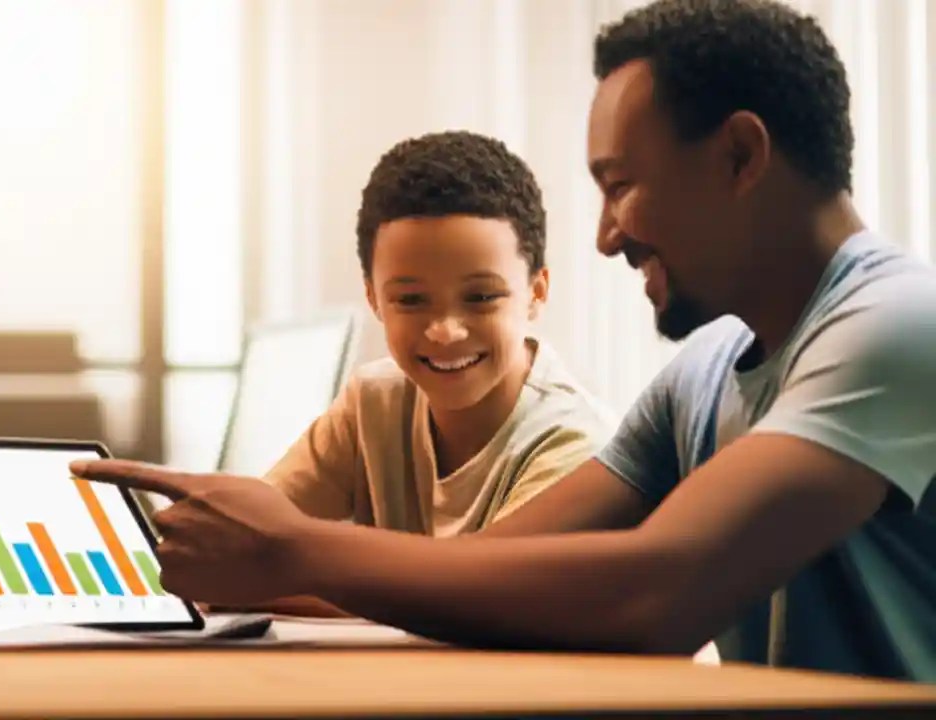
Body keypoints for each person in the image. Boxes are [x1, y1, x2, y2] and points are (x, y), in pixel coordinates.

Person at [72, 0, 936, 679]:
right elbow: (483, 573)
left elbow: (657, 593)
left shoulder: (896, 327)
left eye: (622, 185)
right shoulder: (703, 372)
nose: (606, 236)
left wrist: (293, 548)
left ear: (742, 157)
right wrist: (260, 561)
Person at [247, 131, 613, 617]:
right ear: (375, 298)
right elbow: (251, 543)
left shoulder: (576, 443)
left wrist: (279, 577)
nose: (444, 331)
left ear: (537, 292)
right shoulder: (371, 404)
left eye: (482, 297)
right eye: (411, 300)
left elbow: (477, 604)